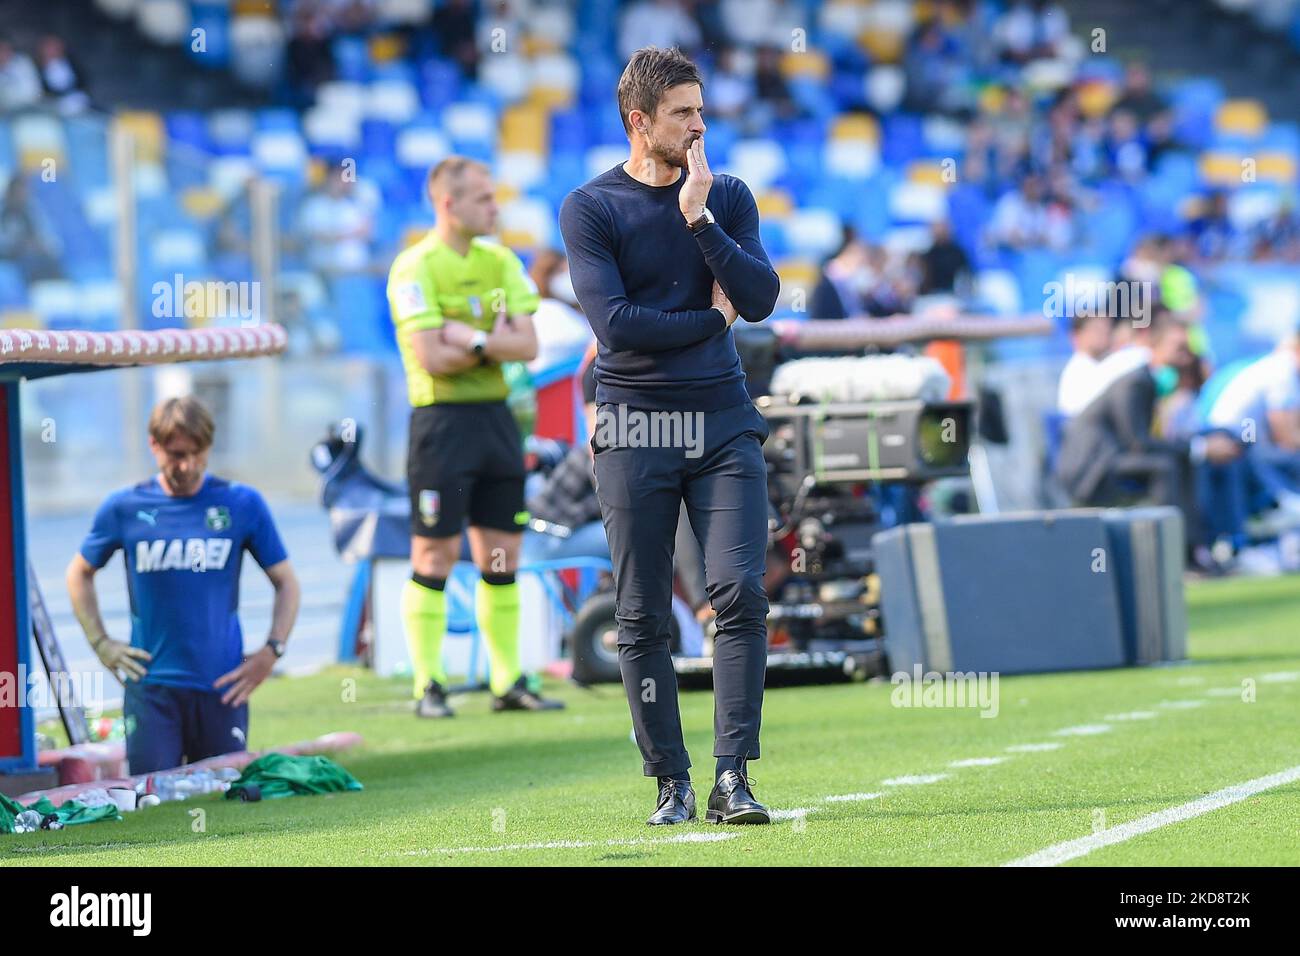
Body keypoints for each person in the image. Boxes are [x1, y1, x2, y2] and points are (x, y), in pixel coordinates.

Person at [559, 46, 780, 826]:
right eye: (682, 112)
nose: (698, 124)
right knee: (643, 615)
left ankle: (732, 780)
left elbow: (758, 299)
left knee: (740, 593)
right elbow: (617, 329)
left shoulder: (728, 196)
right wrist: (710, 319)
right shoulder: (590, 208)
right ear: (639, 121)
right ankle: (671, 784)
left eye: (700, 108)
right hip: (634, 426)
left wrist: (700, 219)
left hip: (723, 423)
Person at [387, 155, 563, 718]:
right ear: (448, 204)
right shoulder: (415, 267)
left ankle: (507, 680)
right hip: (440, 425)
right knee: (434, 554)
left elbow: (527, 345)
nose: (495, 207)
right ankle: (427, 684)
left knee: (502, 556)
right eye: (484, 198)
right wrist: (491, 341)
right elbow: (432, 358)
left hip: (496, 421)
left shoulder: (500, 261)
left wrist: (473, 339)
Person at [65, 397, 301, 775]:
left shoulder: (241, 503)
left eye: (197, 453)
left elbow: (286, 582)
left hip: (223, 689)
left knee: (227, 805)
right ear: (153, 445)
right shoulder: (124, 507)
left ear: (209, 447)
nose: (187, 466)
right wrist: (101, 644)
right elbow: (78, 573)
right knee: (154, 807)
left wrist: (271, 652)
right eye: (176, 454)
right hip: (152, 692)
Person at [1055, 314, 1238, 566]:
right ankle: (1172, 557)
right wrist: (1201, 448)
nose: (1186, 357)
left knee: (1185, 458)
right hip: (1091, 469)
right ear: (1155, 347)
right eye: (1179, 349)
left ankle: (1200, 549)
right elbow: (1138, 443)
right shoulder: (1135, 381)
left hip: (1112, 459)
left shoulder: (1153, 382)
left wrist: (1198, 445)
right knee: (1166, 466)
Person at [1056, 310, 1113, 416]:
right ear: (1077, 335)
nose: (1104, 334)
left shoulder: (1100, 365)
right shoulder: (1079, 369)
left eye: (1107, 329)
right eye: (1097, 329)